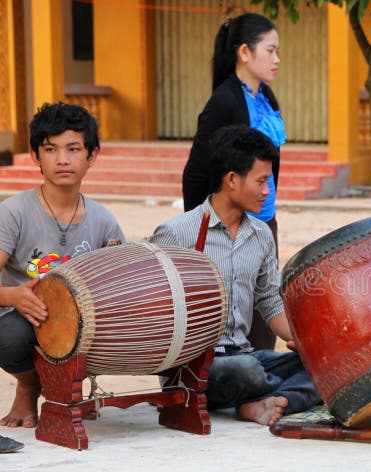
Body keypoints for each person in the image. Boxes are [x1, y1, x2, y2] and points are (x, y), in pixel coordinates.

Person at [150, 125, 319, 426]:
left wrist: (309, 344)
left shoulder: (262, 235)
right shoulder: (177, 233)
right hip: (193, 365)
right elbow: (154, 306)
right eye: (262, 181)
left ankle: (262, 403)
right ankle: (260, 397)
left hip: (245, 354)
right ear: (231, 179)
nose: (268, 191)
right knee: (246, 371)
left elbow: (270, 301)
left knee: (324, 365)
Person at [0, 102, 125, 428]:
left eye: (73, 149)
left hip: (81, 323)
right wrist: (12, 297)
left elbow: (120, 285)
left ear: (92, 156)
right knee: (6, 334)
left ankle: (70, 390)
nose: (63, 159)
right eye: (51, 149)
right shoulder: (14, 213)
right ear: (34, 156)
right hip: (26, 320)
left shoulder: (103, 220)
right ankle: (29, 385)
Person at [183, 12, 285, 350]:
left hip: (263, 220)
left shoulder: (267, 98)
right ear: (244, 52)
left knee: (265, 308)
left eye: (277, 51)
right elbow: (196, 172)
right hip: (229, 226)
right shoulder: (223, 103)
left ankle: (261, 380)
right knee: (228, 310)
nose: (276, 59)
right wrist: (203, 229)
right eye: (270, 50)